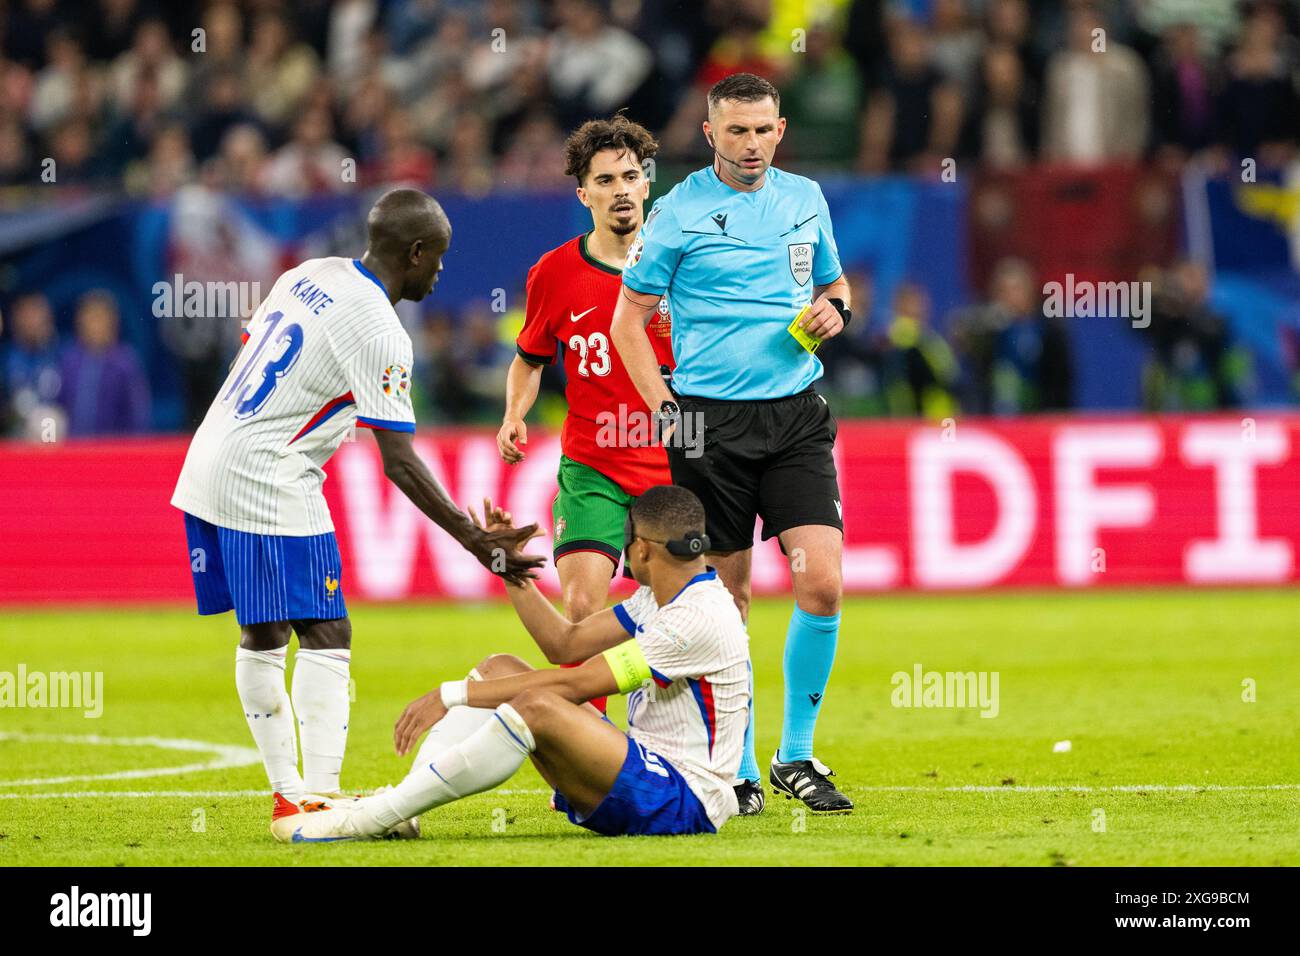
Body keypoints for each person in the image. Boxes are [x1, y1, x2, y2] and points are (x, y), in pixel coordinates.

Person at [170, 188, 544, 827]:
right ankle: (314, 797)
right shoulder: (380, 330)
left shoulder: (307, 273)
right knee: (327, 629)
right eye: (440, 258)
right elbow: (398, 461)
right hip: (270, 475)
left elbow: (255, 348)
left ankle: (293, 794)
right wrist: (477, 541)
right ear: (416, 252)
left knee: (264, 634)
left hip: (210, 458)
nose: (442, 271)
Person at [610, 73, 853, 815]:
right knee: (729, 599)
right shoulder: (676, 213)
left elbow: (838, 291)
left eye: (764, 130)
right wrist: (665, 407)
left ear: (781, 130)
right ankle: (739, 767)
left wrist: (833, 314)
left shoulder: (805, 198)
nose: (751, 144)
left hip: (796, 417)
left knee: (822, 584)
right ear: (709, 134)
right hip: (710, 424)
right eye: (736, 131)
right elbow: (629, 322)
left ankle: (797, 755)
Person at [272, 485, 749, 842]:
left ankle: (372, 818)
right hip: (646, 771)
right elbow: (566, 645)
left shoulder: (698, 616)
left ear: (642, 547)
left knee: (538, 705)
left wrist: (450, 695)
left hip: (683, 802)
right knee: (502, 668)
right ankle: (405, 813)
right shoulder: (659, 597)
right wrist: (508, 566)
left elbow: (579, 682)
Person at [498, 113, 674, 715]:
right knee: (579, 613)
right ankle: (590, 754)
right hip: (593, 466)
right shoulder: (554, 273)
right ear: (584, 194)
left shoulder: (686, 264)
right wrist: (514, 414)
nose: (620, 189)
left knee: (679, 621)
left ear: (646, 183)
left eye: (630, 176)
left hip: (671, 468)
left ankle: (674, 748)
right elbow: (529, 358)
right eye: (605, 180)